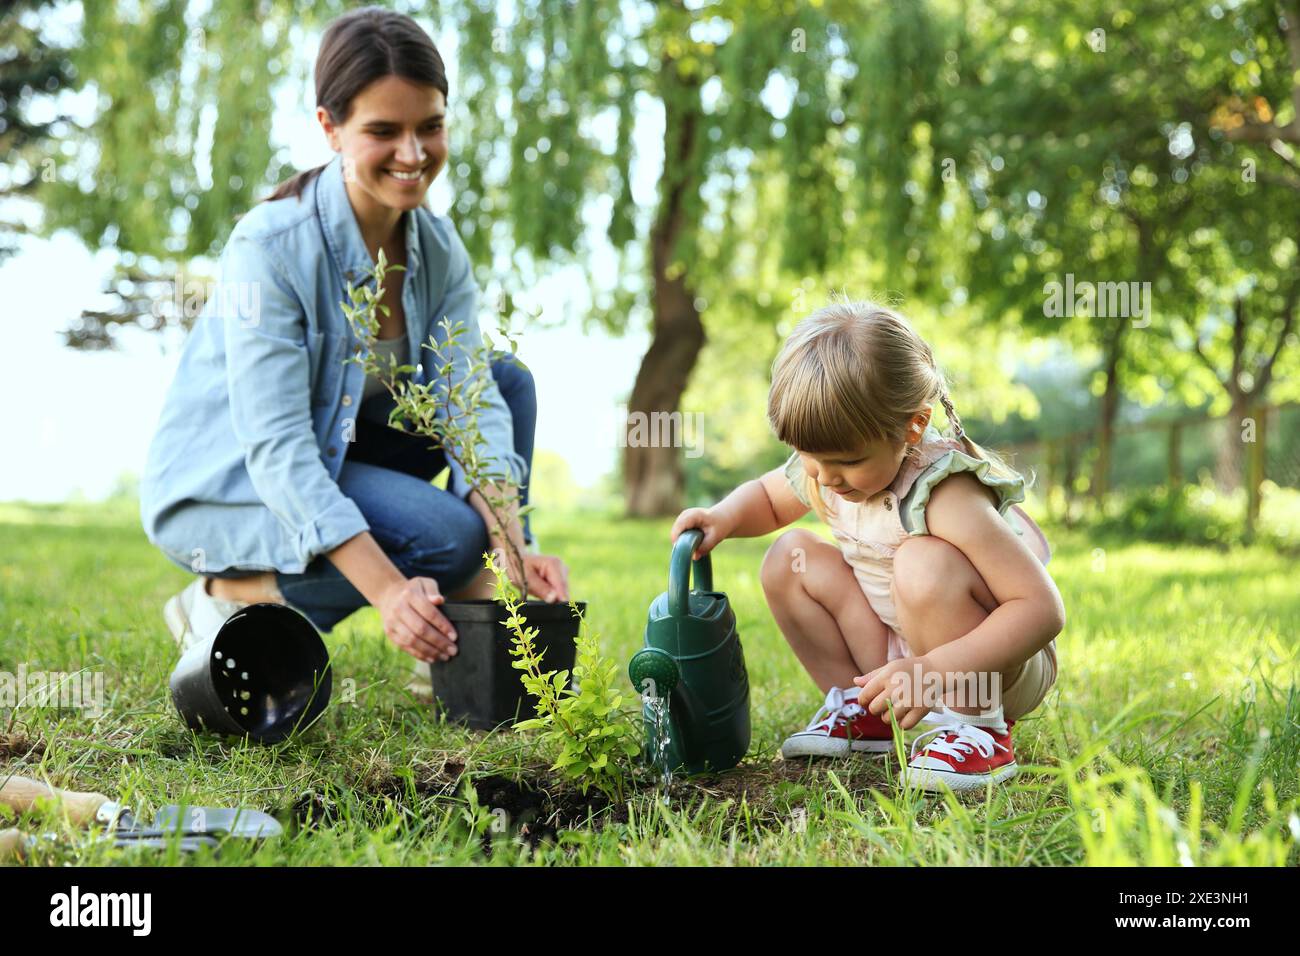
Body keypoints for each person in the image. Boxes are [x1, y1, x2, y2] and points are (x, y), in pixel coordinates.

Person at [139, 7, 569, 691]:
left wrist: (513, 545)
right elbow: (279, 448)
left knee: (506, 380)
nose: (413, 153)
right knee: (446, 538)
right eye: (383, 131)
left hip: (339, 447)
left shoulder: (436, 247)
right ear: (329, 128)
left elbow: (469, 398)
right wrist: (390, 591)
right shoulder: (271, 249)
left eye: (430, 126)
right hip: (235, 481)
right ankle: (231, 596)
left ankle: (470, 626)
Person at [670, 300, 1064, 791]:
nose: (826, 477)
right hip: (901, 651)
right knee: (788, 560)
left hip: (991, 663)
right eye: (810, 459)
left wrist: (935, 669)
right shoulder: (826, 469)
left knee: (920, 561)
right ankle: (865, 710)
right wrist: (722, 517)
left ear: (912, 426)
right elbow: (770, 500)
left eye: (847, 461)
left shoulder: (943, 493)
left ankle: (977, 730)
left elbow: (1040, 609)